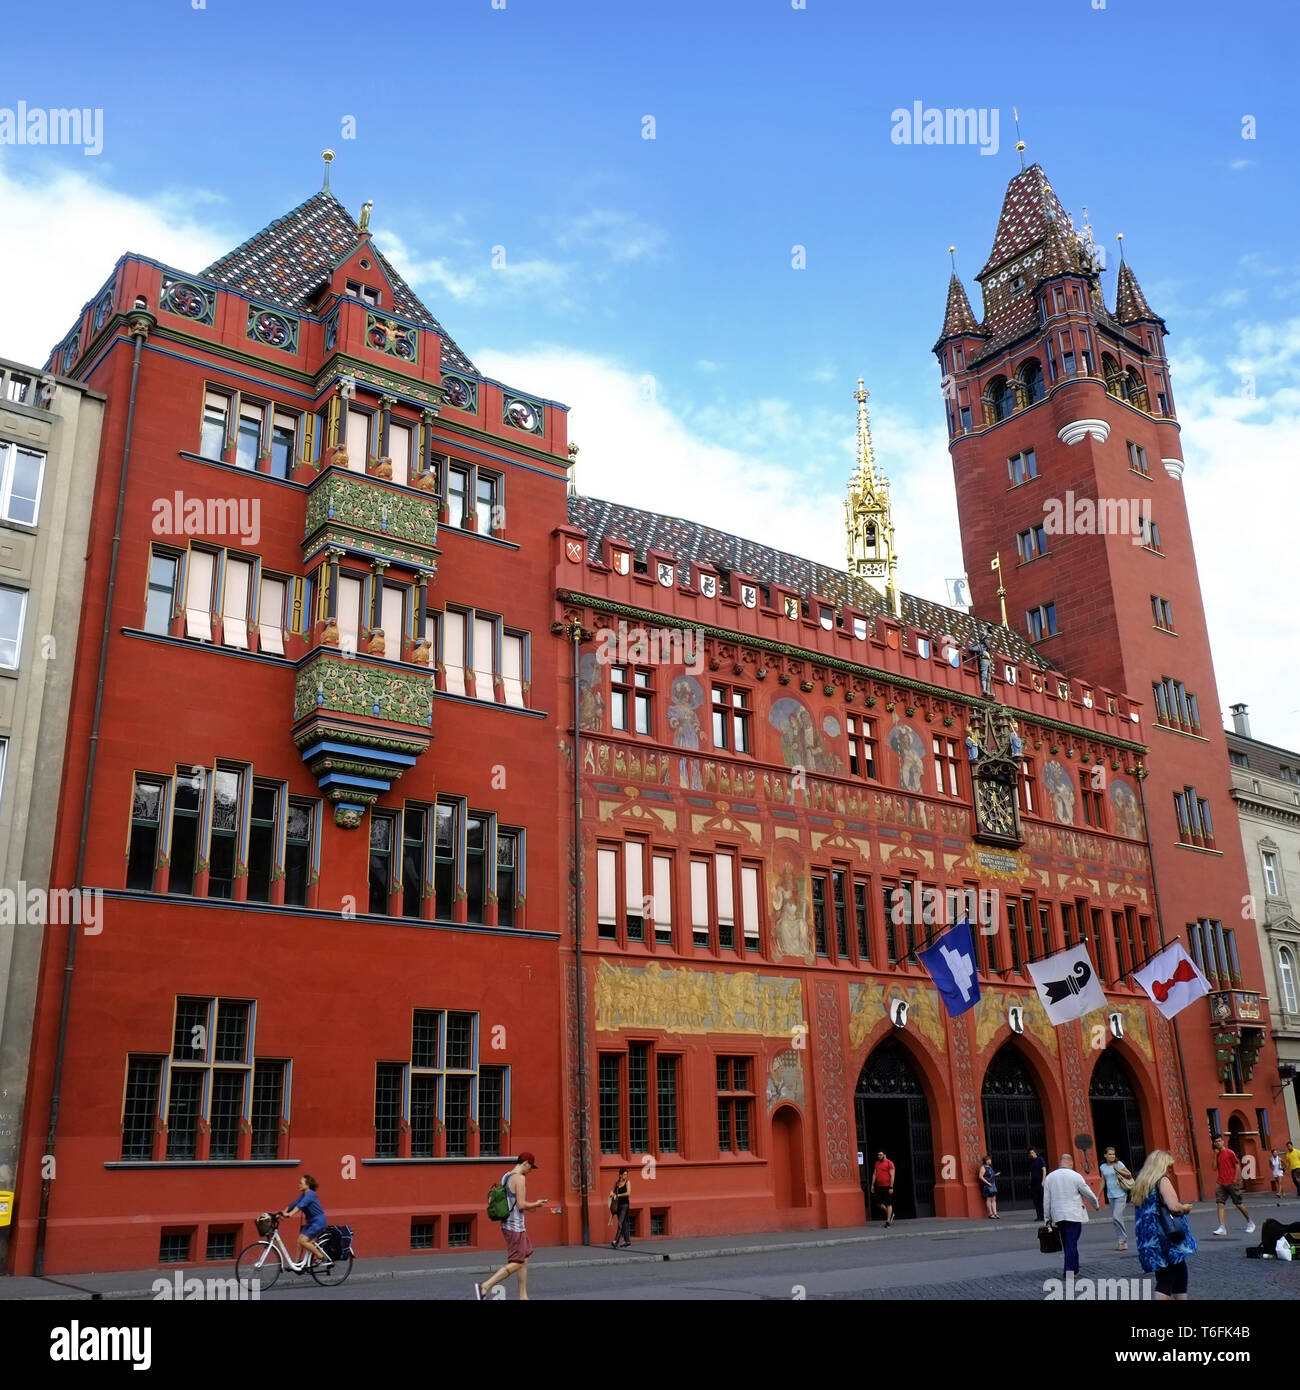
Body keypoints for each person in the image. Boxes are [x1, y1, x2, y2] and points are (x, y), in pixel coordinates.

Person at [476, 1152, 548, 1300]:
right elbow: (521, 1205)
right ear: (526, 1163)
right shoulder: (520, 1178)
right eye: (531, 1167)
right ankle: (485, 1286)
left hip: (513, 1225)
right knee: (517, 1261)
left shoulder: (506, 1175)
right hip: (514, 1226)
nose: (531, 1171)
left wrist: (530, 1206)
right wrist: (536, 1204)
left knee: (525, 1256)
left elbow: (512, 1201)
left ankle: (523, 1296)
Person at [1132, 1149, 1197, 1301]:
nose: (1170, 1170)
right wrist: (1185, 1208)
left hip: (1149, 1239)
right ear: (1160, 1166)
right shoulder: (1162, 1181)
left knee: (1175, 1272)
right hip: (1167, 1236)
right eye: (1168, 1167)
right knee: (1168, 1277)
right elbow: (1174, 1206)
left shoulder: (1141, 1185)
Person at [1042, 1153, 1100, 1279]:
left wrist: (1047, 1218)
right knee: (1071, 1243)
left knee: (1068, 1243)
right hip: (1073, 1214)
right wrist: (1095, 1204)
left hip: (1058, 1215)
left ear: (1060, 1163)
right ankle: (1070, 1271)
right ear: (1071, 1163)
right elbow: (1087, 1192)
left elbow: (1046, 1200)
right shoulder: (1076, 1176)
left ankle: (1074, 1269)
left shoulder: (1050, 1177)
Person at [279, 1174, 329, 1270]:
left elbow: (300, 1205)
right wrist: (283, 1212)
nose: (298, 1185)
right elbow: (294, 1204)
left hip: (318, 1222)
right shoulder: (304, 1194)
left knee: (303, 1241)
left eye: (300, 1183)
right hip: (311, 1222)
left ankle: (321, 1257)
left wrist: (291, 1214)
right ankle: (297, 1264)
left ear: (308, 1185)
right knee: (299, 1241)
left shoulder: (310, 1194)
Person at [1210, 1136, 1256, 1236]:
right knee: (1220, 1204)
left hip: (1231, 1181)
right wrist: (1214, 1155)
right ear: (1214, 1144)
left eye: (1219, 1141)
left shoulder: (1229, 1152)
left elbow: (1237, 1165)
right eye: (1216, 1142)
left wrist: (1236, 1179)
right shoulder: (1217, 1154)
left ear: (1222, 1141)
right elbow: (1214, 1168)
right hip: (1221, 1182)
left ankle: (1250, 1222)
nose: (1218, 1143)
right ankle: (1222, 1227)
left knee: (1238, 1204)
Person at [1099, 1146, 1135, 1251]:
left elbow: (1129, 1175)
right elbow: (1102, 1182)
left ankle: (1122, 1241)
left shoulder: (1119, 1164)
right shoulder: (1103, 1167)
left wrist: (1118, 1170)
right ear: (1105, 1155)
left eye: (1113, 1154)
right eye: (1109, 1154)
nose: (1112, 1156)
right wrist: (1098, 1196)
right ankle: (1123, 1243)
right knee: (1116, 1220)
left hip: (1121, 1195)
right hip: (1111, 1196)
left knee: (1116, 1217)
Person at [870, 1150, 896, 1228]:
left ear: (884, 1155)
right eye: (878, 1155)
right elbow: (874, 1174)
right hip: (879, 1186)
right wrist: (872, 1185)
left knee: (888, 1203)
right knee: (878, 1203)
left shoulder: (889, 1163)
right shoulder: (877, 1163)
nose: (879, 1156)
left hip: (887, 1186)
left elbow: (892, 1175)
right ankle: (890, 1214)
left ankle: (888, 1221)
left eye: (880, 1155)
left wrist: (891, 1187)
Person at [609, 1167, 631, 1249]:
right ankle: (627, 1241)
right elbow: (614, 1192)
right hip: (618, 1205)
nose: (626, 1176)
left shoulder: (627, 1182)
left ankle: (616, 1241)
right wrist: (612, 1193)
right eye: (624, 1174)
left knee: (620, 1223)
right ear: (620, 1175)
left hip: (625, 1205)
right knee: (624, 1223)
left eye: (626, 1174)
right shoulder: (617, 1182)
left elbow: (628, 1193)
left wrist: (619, 1195)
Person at [1028, 1147, 1048, 1223]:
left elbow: (1044, 1170)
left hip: (1040, 1183)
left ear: (1035, 1152)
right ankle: (1039, 1216)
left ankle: (1044, 1216)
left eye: (1032, 1152)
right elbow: (1030, 1172)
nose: (1031, 1154)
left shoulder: (1040, 1159)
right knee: (1036, 1201)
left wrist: (1043, 1181)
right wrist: (1030, 1181)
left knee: (1042, 1200)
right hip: (1033, 1183)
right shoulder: (1030, 1161)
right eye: (1030, 1153)